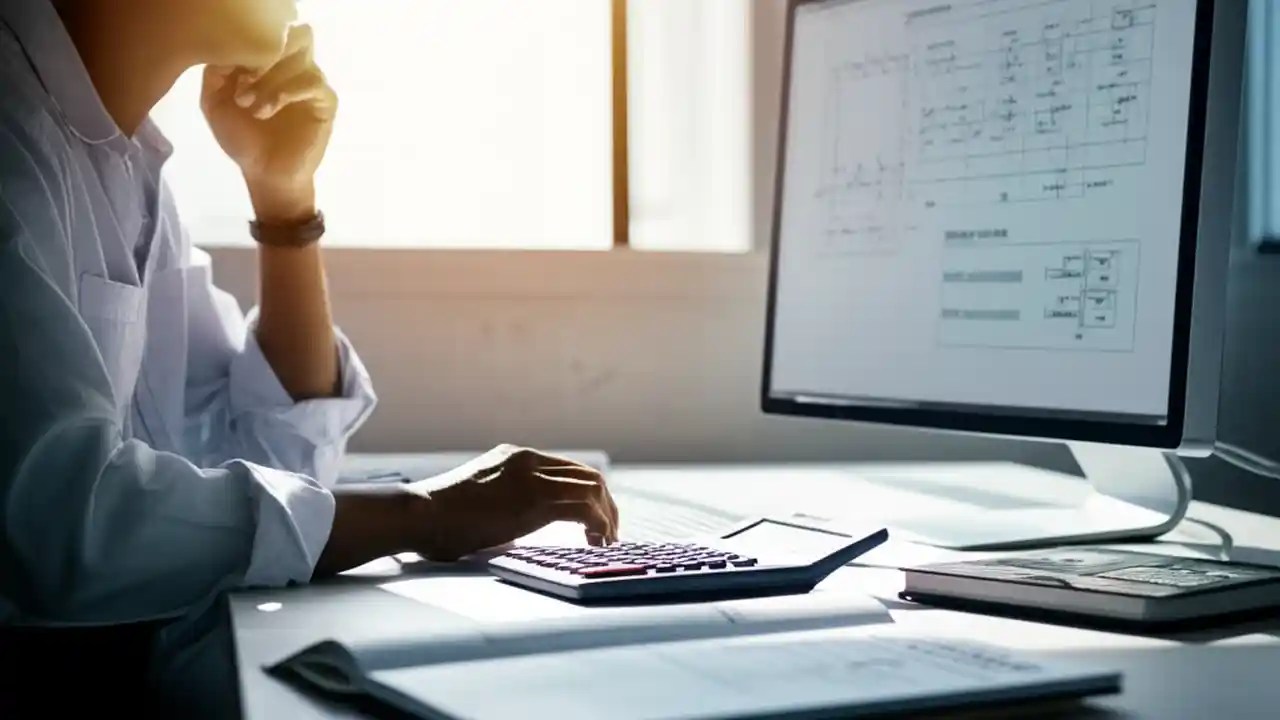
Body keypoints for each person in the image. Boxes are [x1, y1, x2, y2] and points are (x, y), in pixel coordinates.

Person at [0, 0, 619, 714]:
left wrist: (284, 196)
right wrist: (423, 514)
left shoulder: (122, 164)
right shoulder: (14, 146)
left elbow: (276, 463)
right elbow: (61, 533)